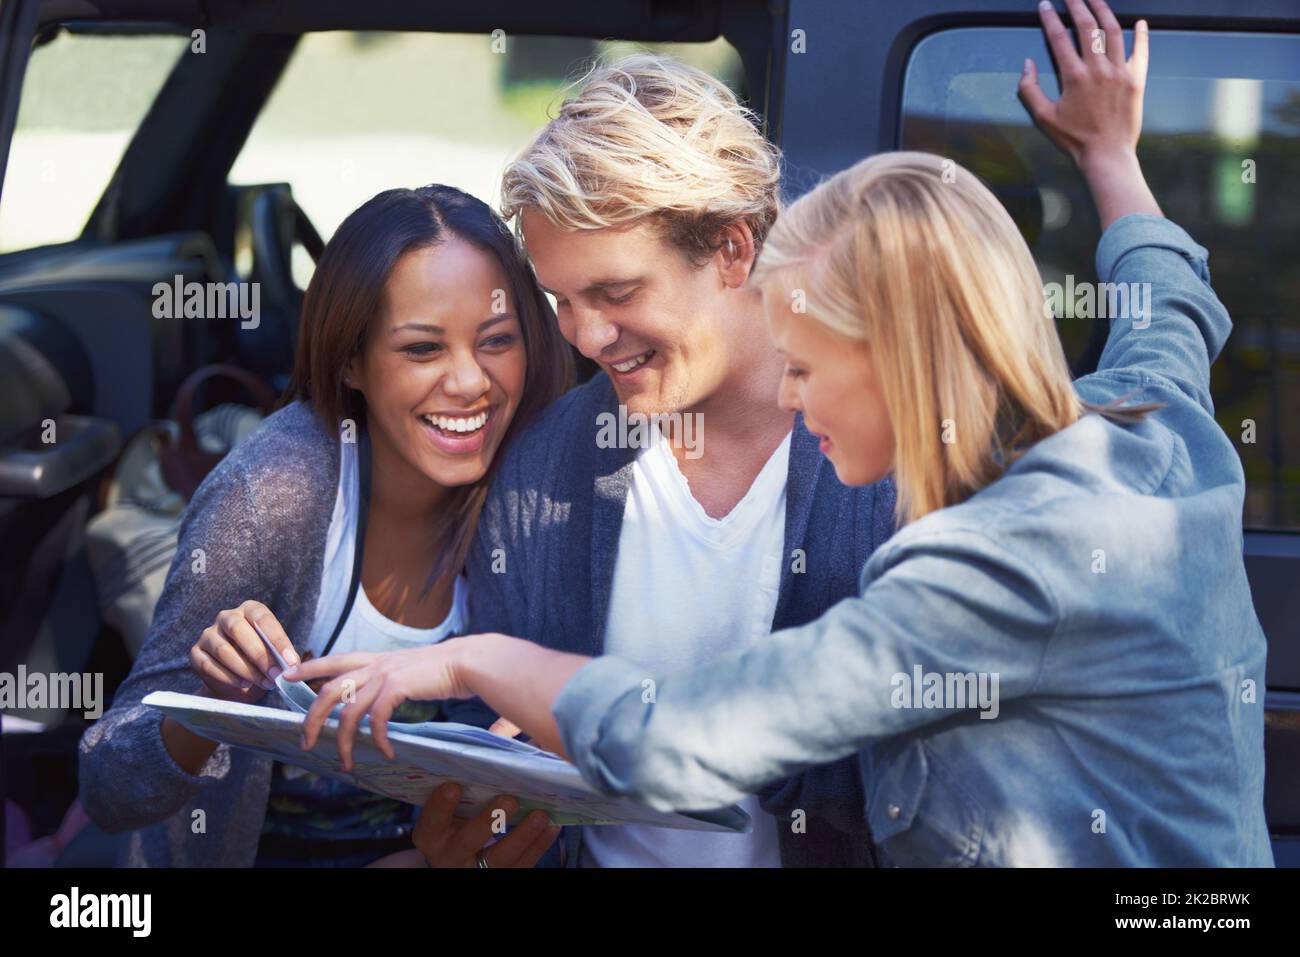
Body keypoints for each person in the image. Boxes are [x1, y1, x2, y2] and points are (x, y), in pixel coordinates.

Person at [289, 0, 1273, 867]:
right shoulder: (1158, 424)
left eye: (804, 368)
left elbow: (693, 736)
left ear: (894, 351)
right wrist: (1108, 156)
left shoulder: (973, 566)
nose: (581, 338)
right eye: (559, 301)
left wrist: (480, 665)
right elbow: (1168, 310)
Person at [433, 51, 898, 868]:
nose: (585, 337)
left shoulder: (888, 458)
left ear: (730, 248)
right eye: (560, 302)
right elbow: (489, 731)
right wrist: (479, 825)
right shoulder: (548, 465)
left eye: (615, 294)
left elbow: (926, 772)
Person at [78, 185, 572, 867]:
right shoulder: (275, 494)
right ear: (351, 360)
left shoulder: (549, 489)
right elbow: (110, 784)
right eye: (423, 349)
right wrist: (210, 704)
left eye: (496, 341)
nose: (469, 382)